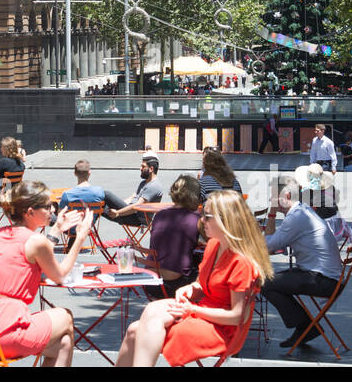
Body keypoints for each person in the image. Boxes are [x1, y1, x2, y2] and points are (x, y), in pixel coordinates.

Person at [115, 190, 273, 367]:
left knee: (139, 330)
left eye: (207, 216)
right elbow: (203, 284)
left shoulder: (241, 262)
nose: (201, 220)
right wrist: (191, 288)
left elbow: (236, 317)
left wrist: (192, 310)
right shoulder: (214, 245)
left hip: (222, 329)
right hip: (202, 311)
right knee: (135, 328)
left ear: (225, 220)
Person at [0, 180, 93, 366]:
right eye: (48, 206)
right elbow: (59, 275)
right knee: (65, 316)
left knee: (63, 343)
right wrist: (80, 238)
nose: (52, 210)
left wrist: (56, 229)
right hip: (4, 332)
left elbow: (34, 253)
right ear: (31, 212)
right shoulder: (36, 241)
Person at [262, 177, 343, 345]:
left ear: (287, 195)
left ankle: (305, 326)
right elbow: (275, 246)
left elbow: (268, 246)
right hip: (323, 275)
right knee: (269, 279)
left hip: (323, 279)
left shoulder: (296, 217)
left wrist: (271, 214)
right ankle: (305, 327)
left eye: (273, 197)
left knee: (263, 283)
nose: (271, 201)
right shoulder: (301, 211)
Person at [147, 175, 203, 298]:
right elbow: (212, 242)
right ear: (194, 197)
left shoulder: (160, 215)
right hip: (176, 284)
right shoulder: (196, 218)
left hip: (150, 281)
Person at [106, 153, 164, 226]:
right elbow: (132, 198)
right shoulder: (143, 183)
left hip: (138, 219)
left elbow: (137, 206)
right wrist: (115, 205)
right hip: (130, 213)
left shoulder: (154, 186)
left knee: (106, 194)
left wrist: (118, 213)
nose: (140, 168)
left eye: (143, 166)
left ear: (151, 169)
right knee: (99, 207)